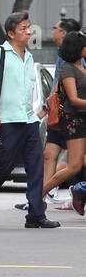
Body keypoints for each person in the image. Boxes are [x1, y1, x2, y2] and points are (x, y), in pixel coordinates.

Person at [0, 12, 57, 228]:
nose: (28, 32)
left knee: (35, 166)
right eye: (23, 28)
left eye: (29, 27)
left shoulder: (30, 56)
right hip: (6, 120)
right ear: (11, 33)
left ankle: (35, 214)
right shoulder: (0, 53)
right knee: (4, 167)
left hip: (28, 119)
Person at [37, 32, 86, 202]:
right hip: (74, 121)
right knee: (74, 166)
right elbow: (73, 99)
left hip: (83, 120)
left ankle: (79, 195)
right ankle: (39, 194)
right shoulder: (68, 68)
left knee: (77, 163)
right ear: (78, 49)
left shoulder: (82, 67)